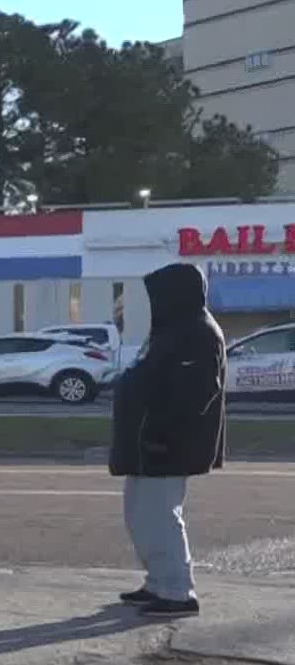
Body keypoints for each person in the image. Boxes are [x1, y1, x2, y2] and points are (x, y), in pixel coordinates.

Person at [110, 263, 226, 618]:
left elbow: (193, 395)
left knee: (161, 516)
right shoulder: (172, 329)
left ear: (177, 293)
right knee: (140, 515)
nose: (154, 302)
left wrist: (162, 433)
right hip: (148, 442)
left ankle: (177, 591)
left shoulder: (197, 333)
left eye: (159, 295)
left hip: (168, 444)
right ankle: (159, 582)